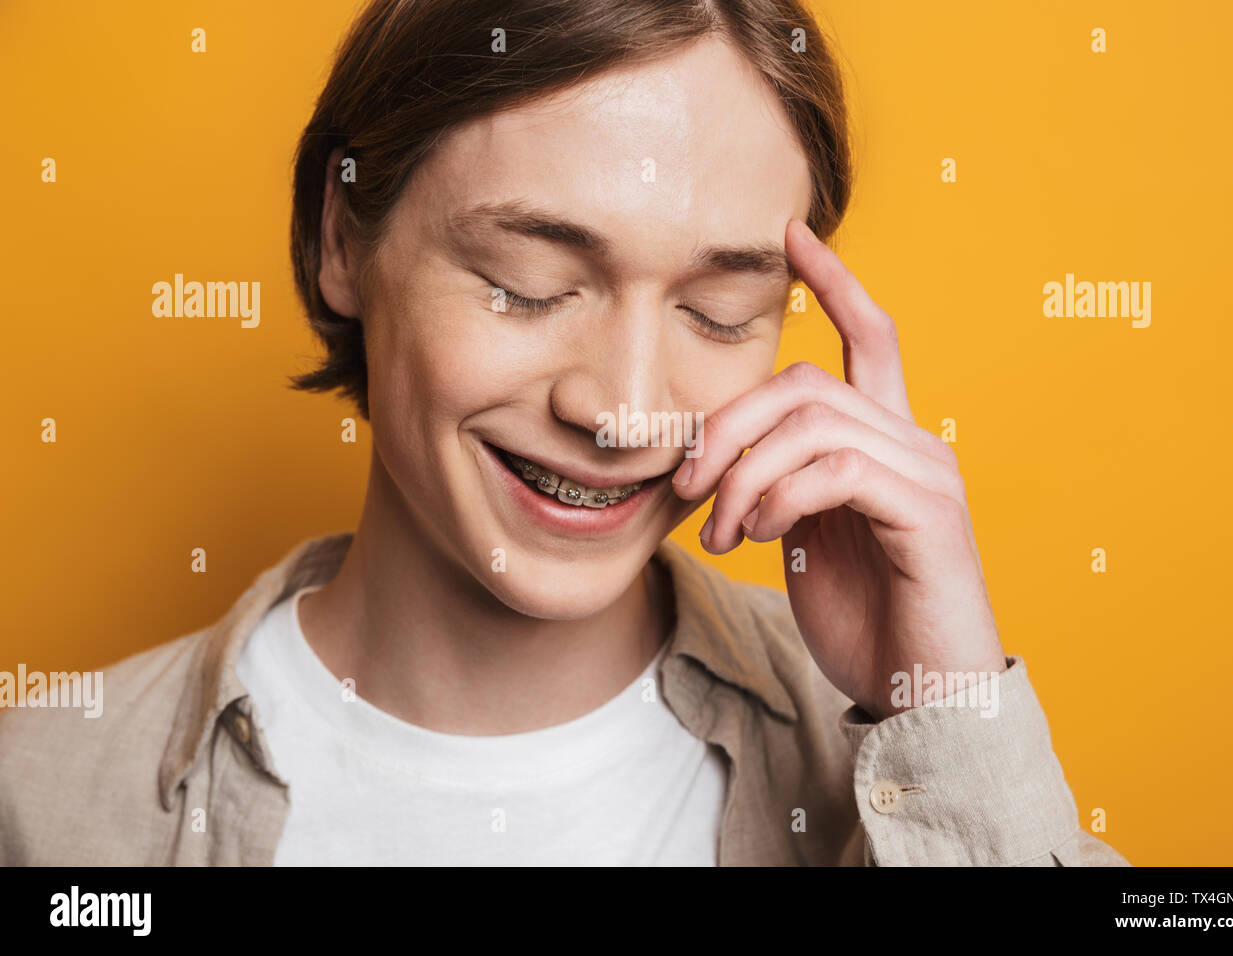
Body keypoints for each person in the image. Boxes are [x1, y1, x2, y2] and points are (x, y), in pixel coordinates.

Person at [0, 0, 1128, 866]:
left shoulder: (887, 754)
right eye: (528, 284)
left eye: (719, 311)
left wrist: (946, 717)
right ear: (340, 236)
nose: (625, 402)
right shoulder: (44, 798)